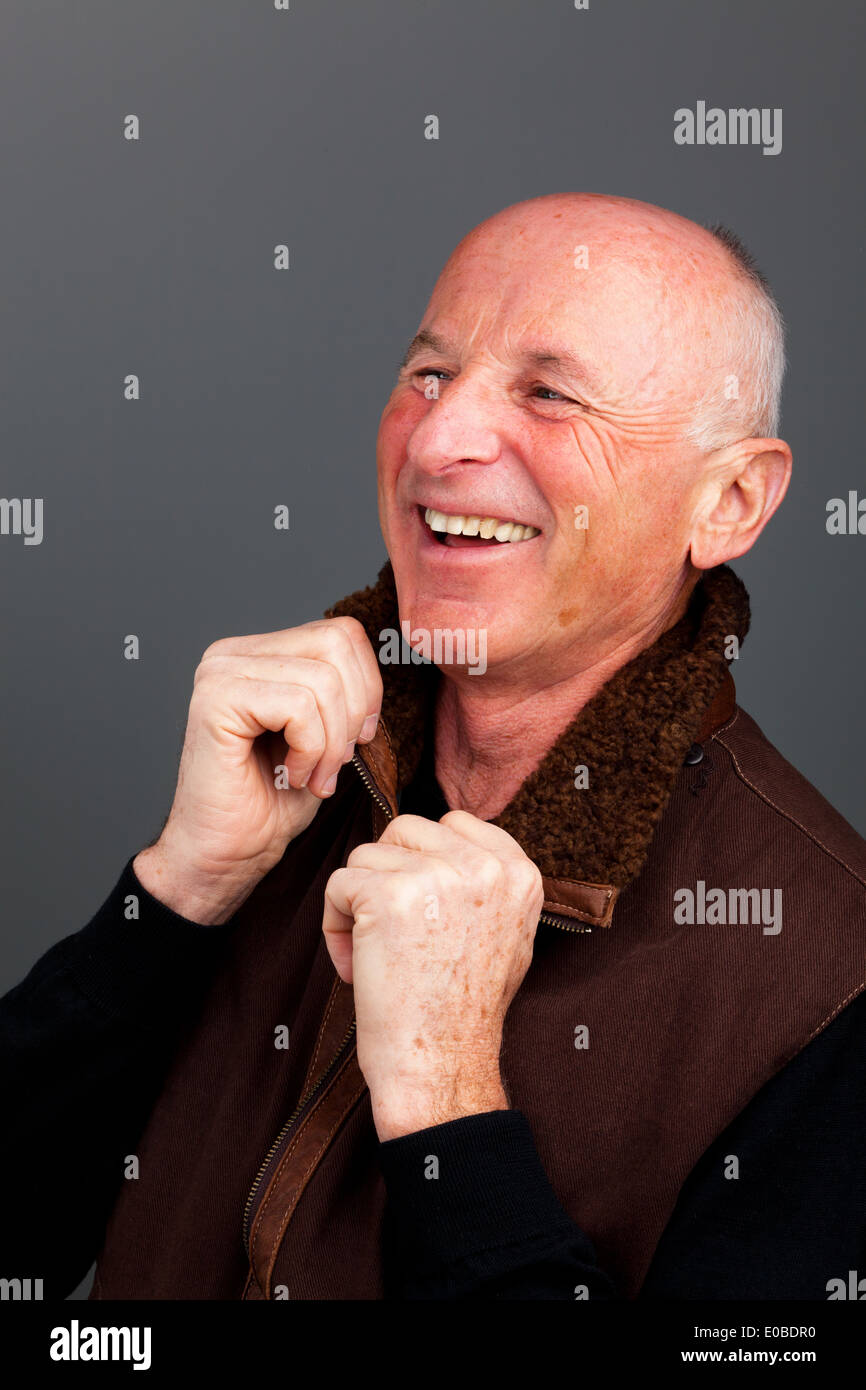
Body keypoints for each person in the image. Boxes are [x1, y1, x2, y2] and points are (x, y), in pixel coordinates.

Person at [2, 193, 864, 1302]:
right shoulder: (286, 780)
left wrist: (449, 1102)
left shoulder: (825, 983)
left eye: (548, 394)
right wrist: (175, 895)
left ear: (730, 497)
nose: (440, 437)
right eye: (426, 375)